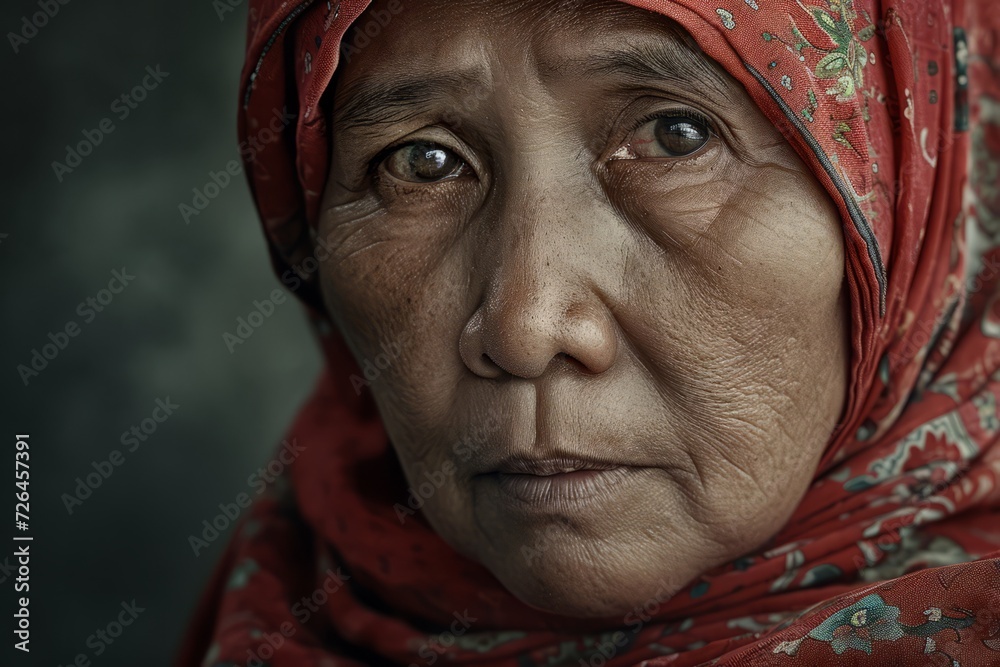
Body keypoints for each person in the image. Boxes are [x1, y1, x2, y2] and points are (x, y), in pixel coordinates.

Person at [178, 0, 1000, 664]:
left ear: (910, 203)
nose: (525, 328)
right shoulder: (295, 598)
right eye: (421, 162)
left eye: (676, 136)